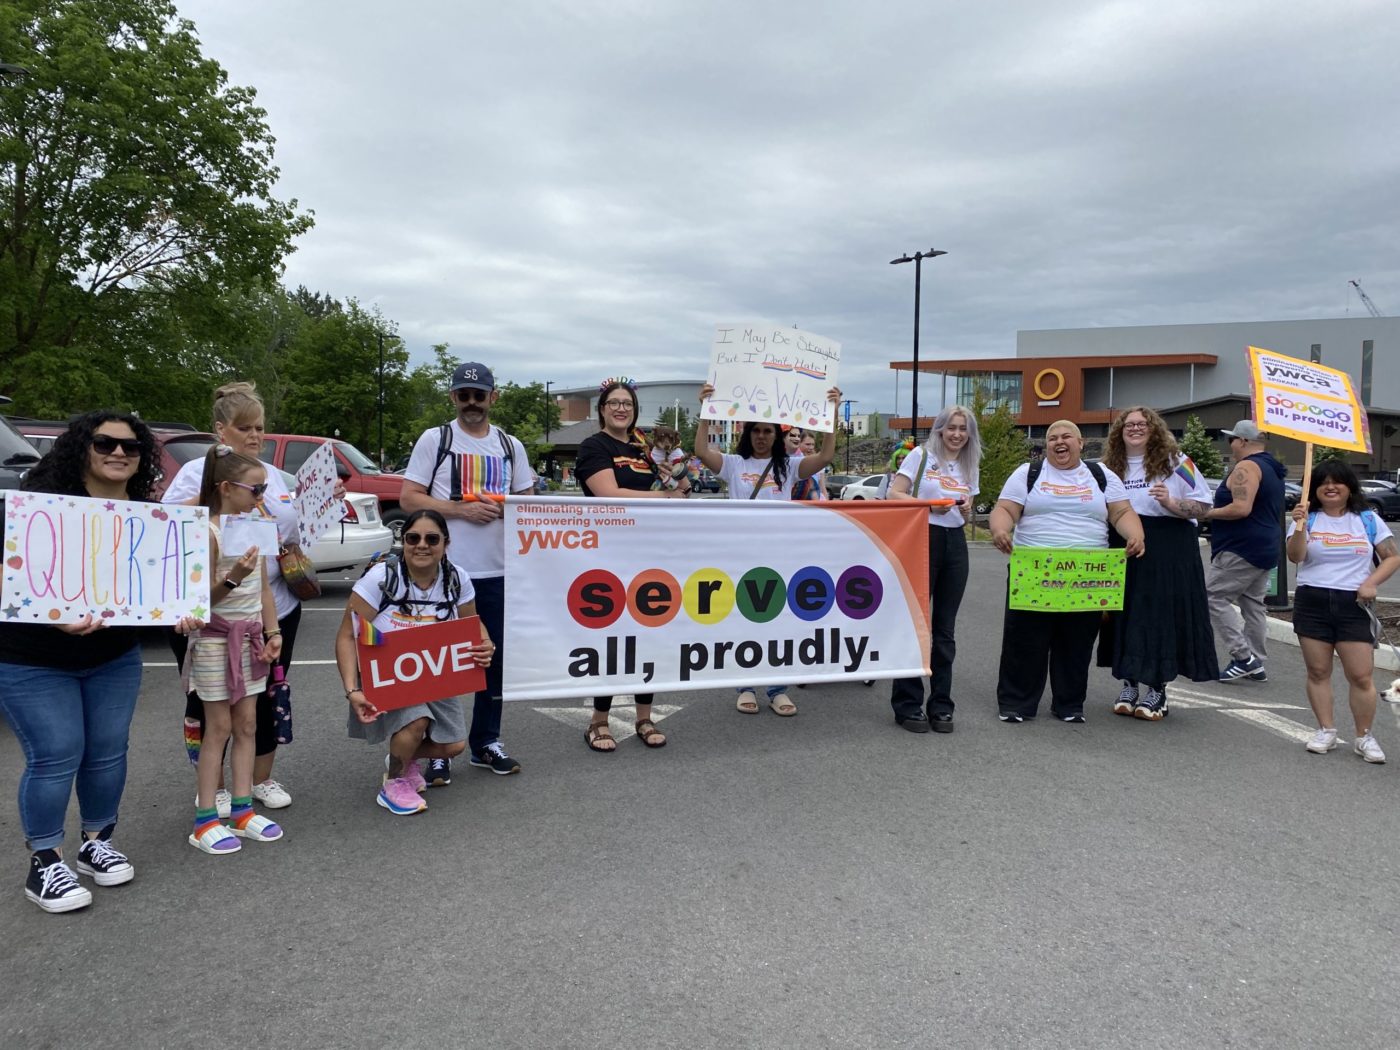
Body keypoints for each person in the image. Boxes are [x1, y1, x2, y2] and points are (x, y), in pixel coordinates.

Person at [0, 413, 199, 911]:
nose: (118, 453)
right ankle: (44, 863)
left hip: (112, 656)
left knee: (108, 752)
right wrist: (52, 616)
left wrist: (179, 612)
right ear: (81, 447)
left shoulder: (149, 517)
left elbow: (154, 588)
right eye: (105, 443)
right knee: (56, 753)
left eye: (130, 447)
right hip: (33, 657)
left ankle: (96, 842)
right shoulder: (37, 503)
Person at [164, 381, 309, 813]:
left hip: (271, 605)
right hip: (212, 614)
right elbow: (168, 525)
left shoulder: (274, 477)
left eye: (260, 428)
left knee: (264, 700)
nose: (255, 436)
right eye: (244, 427)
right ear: (220, 430)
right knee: (208, 705)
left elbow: (290, 535)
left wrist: (316, 509)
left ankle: (257, 781)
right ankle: (214, 786)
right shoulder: (198, 471)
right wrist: (219, 492)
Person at [400, 362, 534, 780]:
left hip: (497, 572)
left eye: (479, 395)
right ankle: (438, 747)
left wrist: (510, 509)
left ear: (493, 398)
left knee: (491, 661)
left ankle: (486, 742)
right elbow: (409, 499)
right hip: (442, 574)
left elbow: (529, 506)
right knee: (440, 664)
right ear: (453, 397)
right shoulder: (435, 439)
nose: (472, 403)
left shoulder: (511, 446)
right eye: (464, 395)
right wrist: (461, 509)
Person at [695, 381, 842, 716]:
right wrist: (705, 410)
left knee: (777, 623)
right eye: (756, 430)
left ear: (776, 436)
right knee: (744, 622)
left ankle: (777, 689)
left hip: (779, 557)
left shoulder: (789, 467)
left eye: (768, 431)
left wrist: (832, 411)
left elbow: (827, 455)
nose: (762, 436)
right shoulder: (733, 464)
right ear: (748, 434)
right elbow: (702, 451)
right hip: (740, 557)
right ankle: (745, 685)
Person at [335, 510, 497, 811]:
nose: (421, 545)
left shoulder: (456, 578)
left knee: (454, 745)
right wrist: (352, 690)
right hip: (386, 673)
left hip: (434, 673)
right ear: (404, 541)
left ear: (445, 544)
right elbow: (346, 635)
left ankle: (404, 755)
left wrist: (485, 643)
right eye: (413, 538)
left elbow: (472, 622)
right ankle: (393, 783)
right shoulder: (381, 577)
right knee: (417, 721)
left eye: (431, 539)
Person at [989, 420, 1145, 723]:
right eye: (1052, 439)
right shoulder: (1028, 473)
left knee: (1076, 641)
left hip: (1087, 573)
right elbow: (1005, 509)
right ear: (1046, 445)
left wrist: (1135, 534)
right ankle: (1016, 703)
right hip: (1034, 571)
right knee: (1025, 639)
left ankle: (1069, 704)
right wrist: (999, 529)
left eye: (1066, 437)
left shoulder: (1100, 475)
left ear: (1080, 442)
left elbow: (1122, 512)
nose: (1059, 443)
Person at [577, 378, 689, 752]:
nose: (621, 408)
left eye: (627, 403)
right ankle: (598, 721)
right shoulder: (594, 446)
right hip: (610, 555)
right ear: (602, 409)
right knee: (611, 639)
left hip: (652, 552)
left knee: (649, 633)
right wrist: (665, 498)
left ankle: (644, 715)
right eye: (614, 403)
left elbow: (679, 483)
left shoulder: (645, 448)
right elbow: (607, 493)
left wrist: (679, 481)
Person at [186, 445, 285, 854]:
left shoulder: (252, 527)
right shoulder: (205, 532)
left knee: (248, 725)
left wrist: (273, 630)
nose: (261, 498)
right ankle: (205, 818)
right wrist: (233, 577)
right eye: (256, 490)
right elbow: (197, 601)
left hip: (250, 640)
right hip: (214, 641)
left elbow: (263, 588)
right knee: (219, 728)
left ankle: (243, 810)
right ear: (227, 488)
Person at [1097, 407, 1219, 719]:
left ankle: (1157, 688)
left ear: (1153, 428)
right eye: (1128, 424)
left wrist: (1171, 502)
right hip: (1121, 543)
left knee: (1158, 615)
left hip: (1167, 546)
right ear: (1119, 431)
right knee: (1123, 612)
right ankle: (1128, 682)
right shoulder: (1107, 467)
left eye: (1141, 423)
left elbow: (1203, 505)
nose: (1134, 428)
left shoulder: (1177, 461)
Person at [1286, 462, 1400, 763]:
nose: (1330, 487)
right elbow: (1295, 556)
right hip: (1313, 600)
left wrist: (1371, 583)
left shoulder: (1366, 519)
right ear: (1315, 489)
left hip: (1354, 603)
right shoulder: (1306, 518)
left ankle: (1364, 736)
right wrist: (1299, 526)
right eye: (1323, 482)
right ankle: (1326, 730)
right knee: (1318, 671)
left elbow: (1391, 557)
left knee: (1361, 675)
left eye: (1338, 482)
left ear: (1350, 486)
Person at [885, 405, 979, 733]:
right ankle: (908, 704)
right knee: (916, 623)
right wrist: (924, 505)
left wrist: (967, 510)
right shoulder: (921, 456)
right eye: (950, 427)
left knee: (945, 631)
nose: (956, 434)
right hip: (922, 537)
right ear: (939, 430)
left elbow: (965, 515)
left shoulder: (969, 463)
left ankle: (941, 704)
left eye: (962, 429)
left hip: (955, 541)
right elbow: (893, 493)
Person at [1201, 420, 1287, 683]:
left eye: (1232, 440)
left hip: (1241, 548)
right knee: (1253, 604)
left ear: (1243, 441)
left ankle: (1243, 657)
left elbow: (1241, 508)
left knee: (1213, 597)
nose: (1231, 445)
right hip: (1265, 546)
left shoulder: (1247, 467)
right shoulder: (1271, 467)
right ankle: (1256, 661)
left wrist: (1206, 514)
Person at [792, 431, 828, 502]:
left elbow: (823, 488)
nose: (811, 447)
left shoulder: (818, 463)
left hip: (814, 504)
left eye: (813, 444)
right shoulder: (792, 461)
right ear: (799, 443)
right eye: (807, 444)